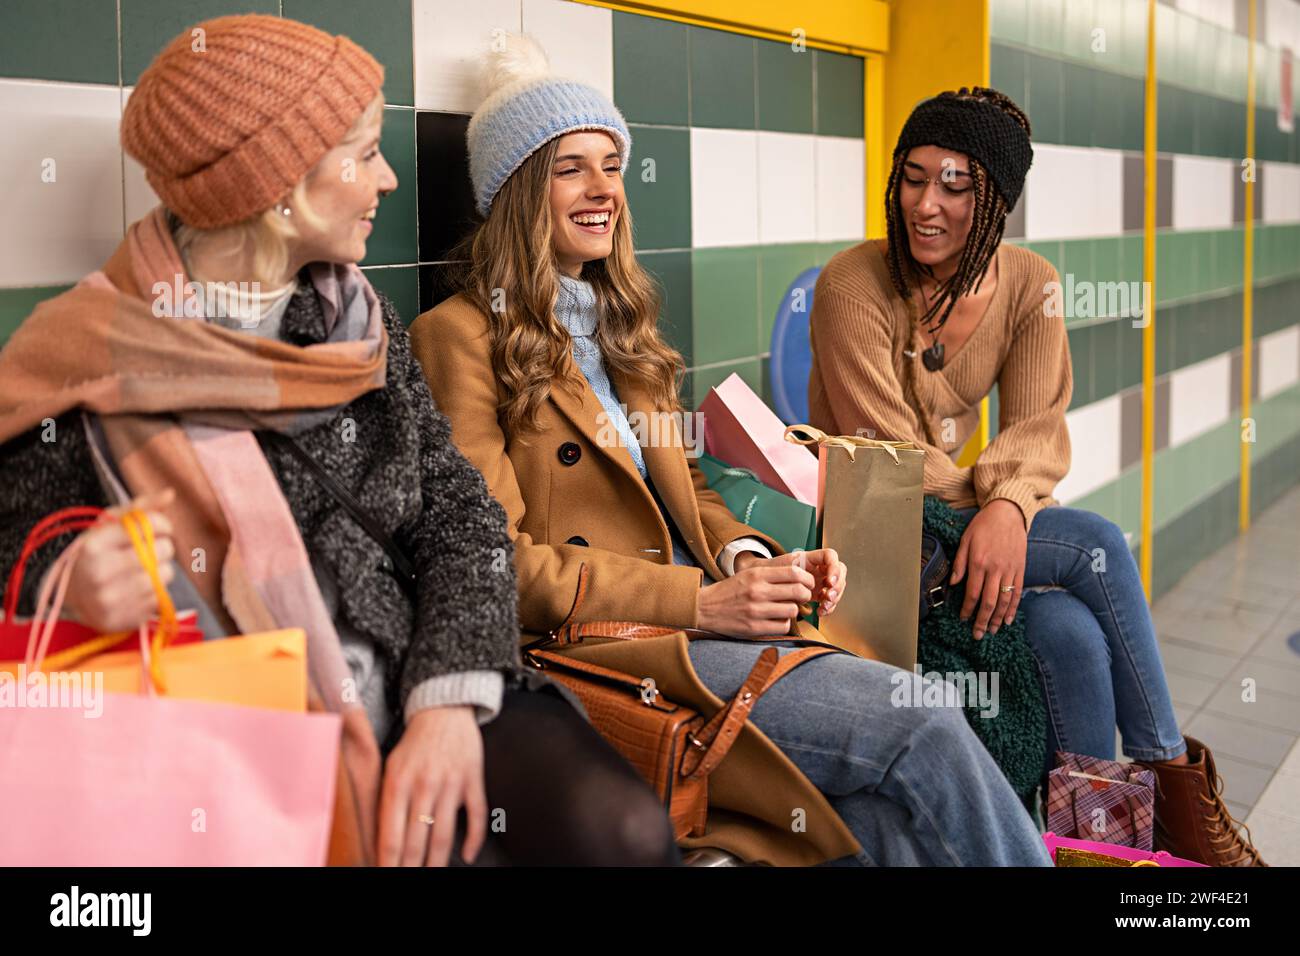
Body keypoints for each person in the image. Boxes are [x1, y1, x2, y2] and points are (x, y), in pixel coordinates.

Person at [0, 14, 678, 868]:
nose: (389, 179)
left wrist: (446, 698)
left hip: (431, 669)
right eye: (362, 154)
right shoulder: (82, 360)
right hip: (240, 741)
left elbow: (463, 519)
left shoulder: (361, 324)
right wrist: (63, 584)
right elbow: (19, 560)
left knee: (621, 834)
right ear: (275, 184)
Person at [409, 35, 1053, 867]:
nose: (606, 187)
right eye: (572, 167)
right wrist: (703, 603)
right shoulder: (456, 338)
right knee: (921, 716)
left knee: (878, 825)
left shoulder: (622, 328)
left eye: (612, 163)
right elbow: (495, 565)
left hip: (711, 618)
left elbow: (688, 498)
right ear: (517, 186)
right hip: (611, 645)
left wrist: (751, 558)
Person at [807, 86, 1264, 867]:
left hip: (967, 530)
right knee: (1092, 547)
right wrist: (1002, 512)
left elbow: (1036, 427)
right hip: (875, 543)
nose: (926, 204)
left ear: (1000, 201)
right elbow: (888, 454)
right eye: (914, 177)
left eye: (958, 185)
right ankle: (1175, 785)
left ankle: (1096, 855)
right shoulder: (853, 283)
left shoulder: (1029, 283)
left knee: (1074, 636)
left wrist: (1010, 507)